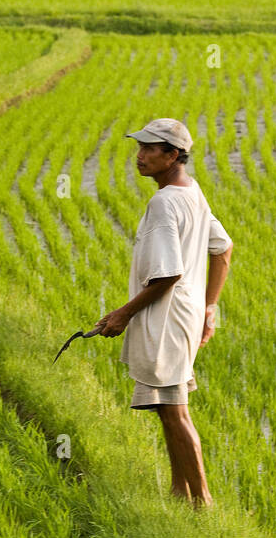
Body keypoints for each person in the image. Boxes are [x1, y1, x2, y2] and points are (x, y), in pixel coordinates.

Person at [94, 118, 232, 506]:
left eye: (149, 149)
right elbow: (222, 249)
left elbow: (168, 274)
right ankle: (179, 490)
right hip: (184, 316)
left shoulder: (164, 202)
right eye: (138, 148)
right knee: (165, 407)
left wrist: (122, 314)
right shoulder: (192, 193)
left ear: (172, 155)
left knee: (175, 412)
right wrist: (209, 308)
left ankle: (202, 502)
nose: (139, 156)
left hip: (168, 320)